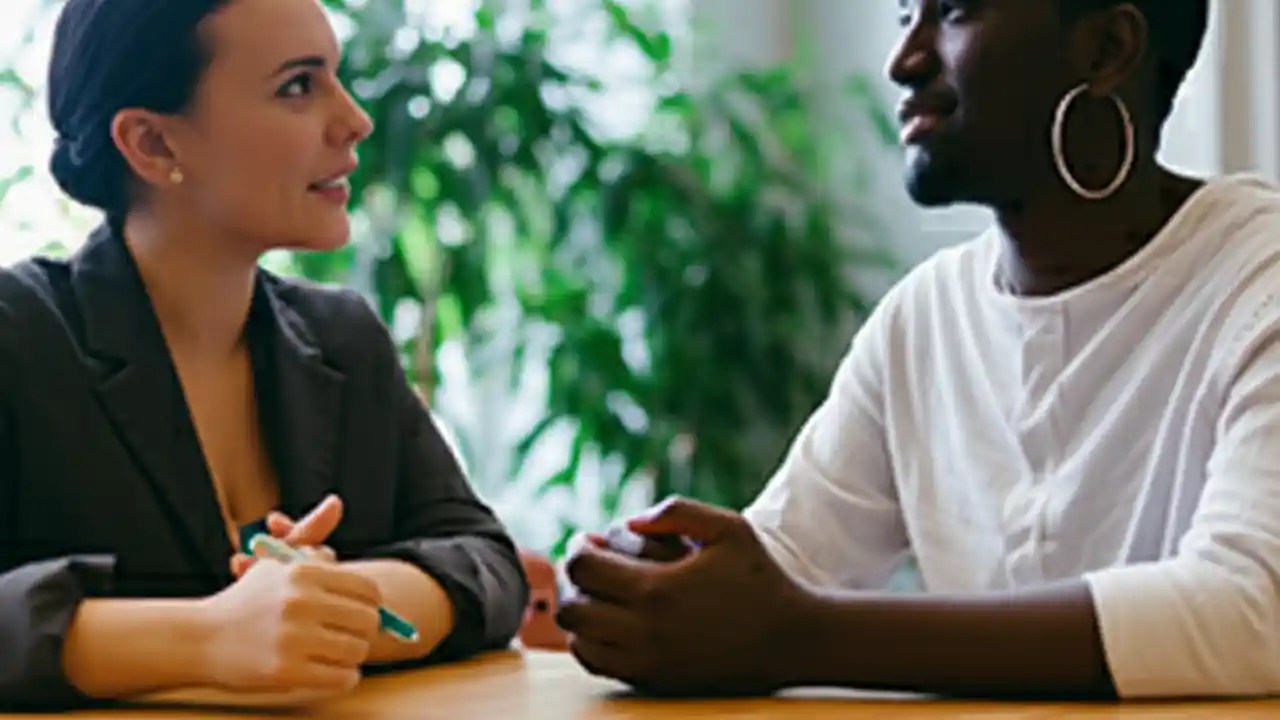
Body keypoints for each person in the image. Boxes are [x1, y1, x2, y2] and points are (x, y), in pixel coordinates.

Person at [558, 0, 1280, 701]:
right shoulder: (924, 317)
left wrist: (801, 634)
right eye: (908, 13)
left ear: (1106, 49)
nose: (904, 60)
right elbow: (785, 564)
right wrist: (648, 581)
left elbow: (1250, 611)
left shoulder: (1259, 280)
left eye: (956, 10)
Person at [0, 0, 527, 709]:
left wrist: (331, 610)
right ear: (153, 144)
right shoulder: (19, 335)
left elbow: (486, 560)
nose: (355, 120)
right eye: (298, 87)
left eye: (335, 77)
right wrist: (208, 637)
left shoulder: (343, 339)